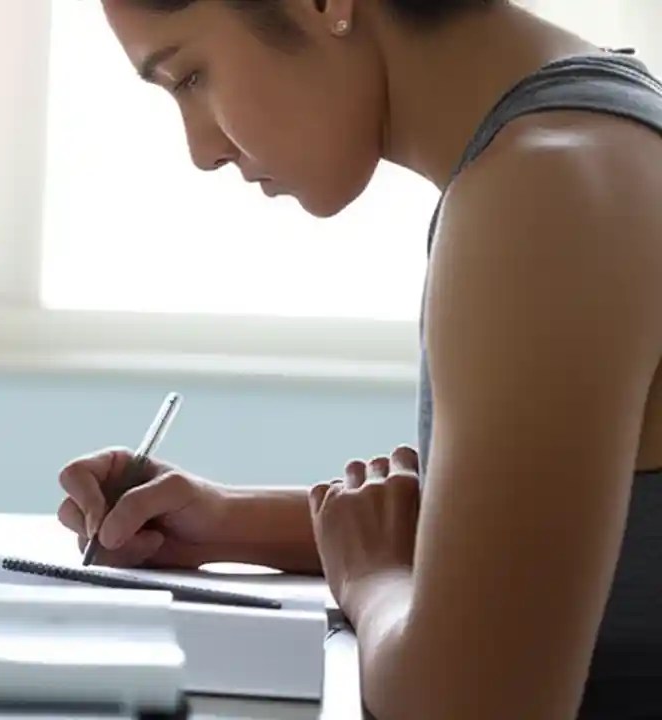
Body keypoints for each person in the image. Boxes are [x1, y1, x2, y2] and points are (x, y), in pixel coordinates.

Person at [55, 1, 662, 718]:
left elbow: (470, 705)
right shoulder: (597, 142)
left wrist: (373, 579)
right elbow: (550, 554)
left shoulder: (549, 193)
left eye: (190, 76)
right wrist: (225, 522)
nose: (201, 149)